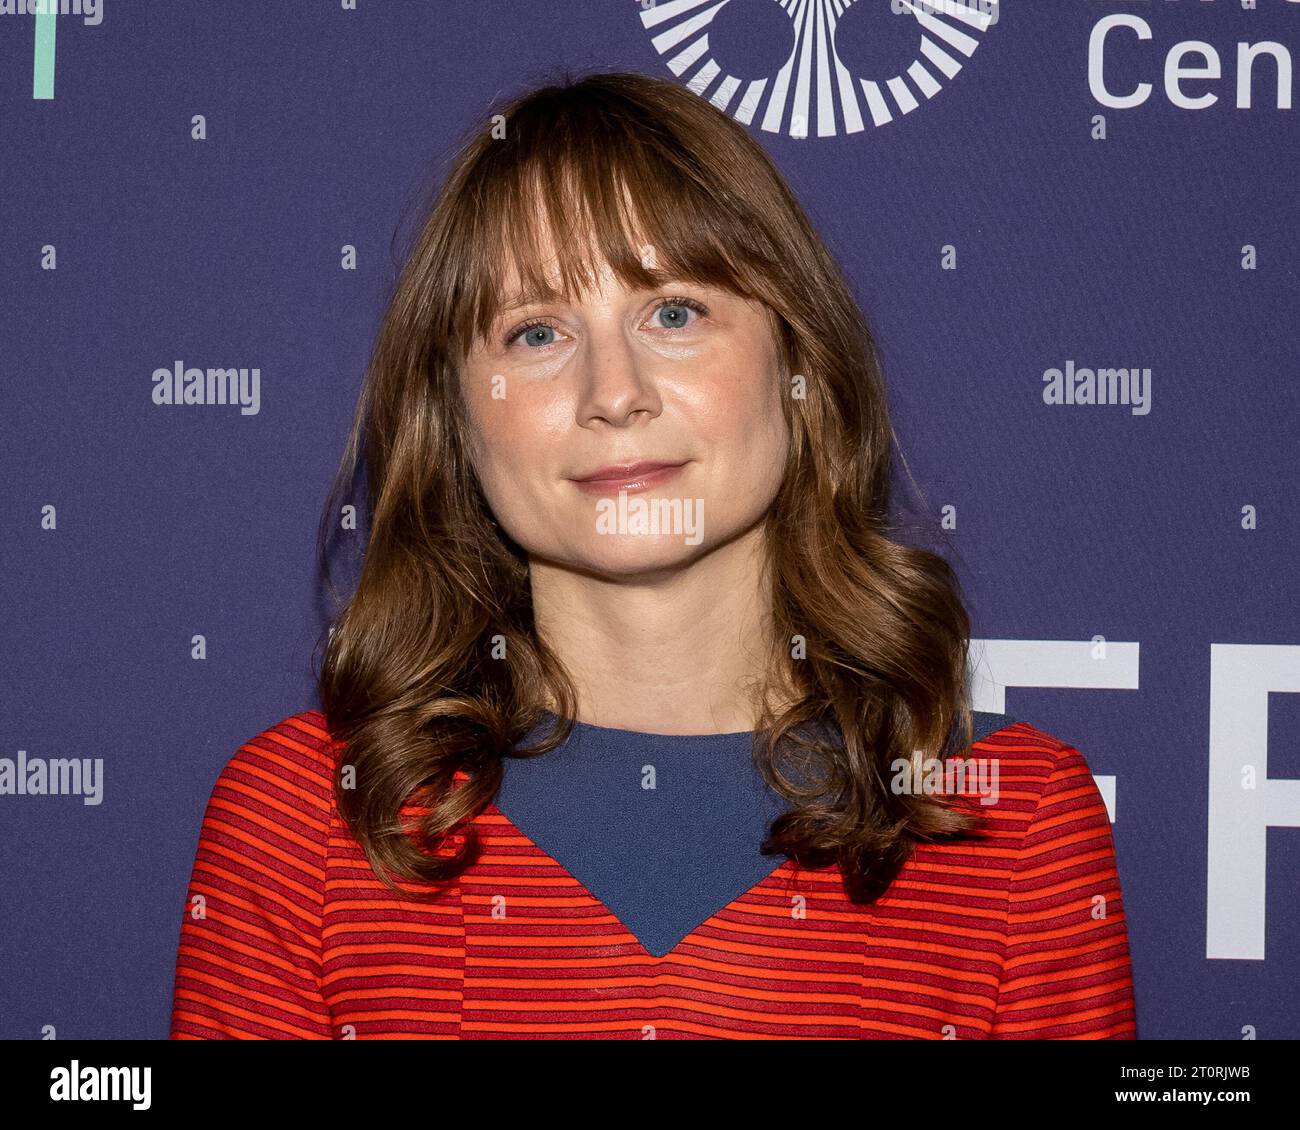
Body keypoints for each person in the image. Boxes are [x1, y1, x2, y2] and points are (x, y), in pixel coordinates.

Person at [169, 69, 1136, 1039]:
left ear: (799, 362)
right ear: (456, 421)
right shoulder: (304, 819)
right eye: (537, 331)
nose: (613, 390)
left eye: (672, 311)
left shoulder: (1014, 818)